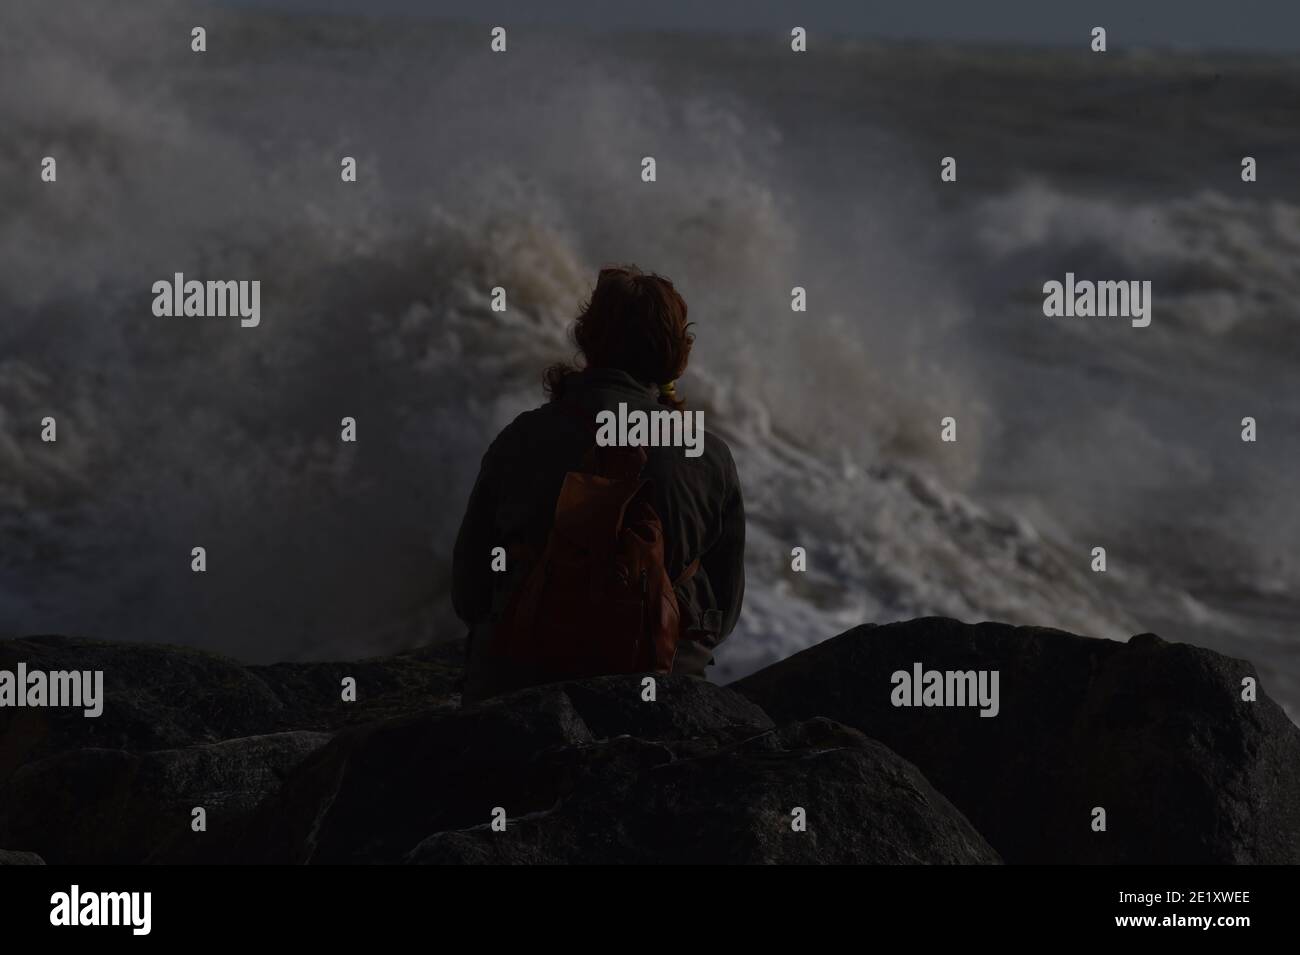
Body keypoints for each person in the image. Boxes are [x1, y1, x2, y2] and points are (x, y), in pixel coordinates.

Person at [452, 265, 745, 704]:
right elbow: (722, 616)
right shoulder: (707, 453)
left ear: (588, 338)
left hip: (518, 691)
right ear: (674, 355)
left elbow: (469, 593)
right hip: (664, 694)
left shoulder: (521, 438)